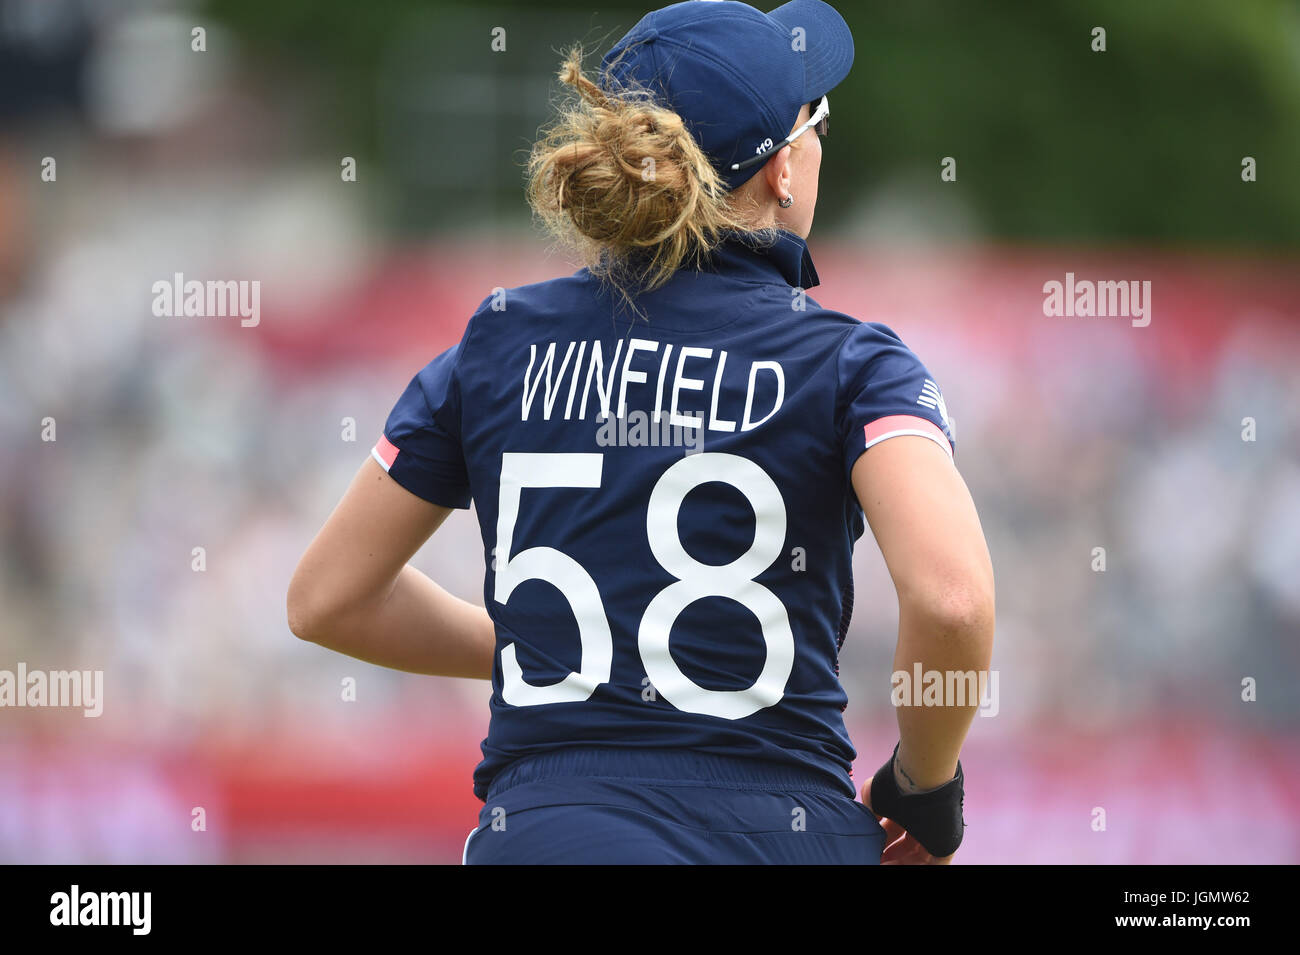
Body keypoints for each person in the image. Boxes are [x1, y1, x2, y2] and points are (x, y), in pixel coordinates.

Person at [287, 0, 994, 865]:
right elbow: (953, 598)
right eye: (816, 122)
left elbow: (328, 597)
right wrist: (924, 786)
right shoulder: (852, 361)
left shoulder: (496, 341)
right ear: (778, 170)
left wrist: (555, 654)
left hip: (544, 837)